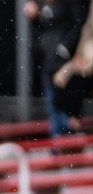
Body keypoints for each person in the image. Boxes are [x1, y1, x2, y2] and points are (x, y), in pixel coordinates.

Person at [31, 1, 91, 135]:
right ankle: (60, 142)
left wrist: (65, 49)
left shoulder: (71, 5)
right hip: (49, 60)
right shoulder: (44, 6)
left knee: (65, 104)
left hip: (68, 61)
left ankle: (69, 137)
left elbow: (79, 26)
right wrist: (34, 17)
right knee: (54, 105)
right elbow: (42, 28)